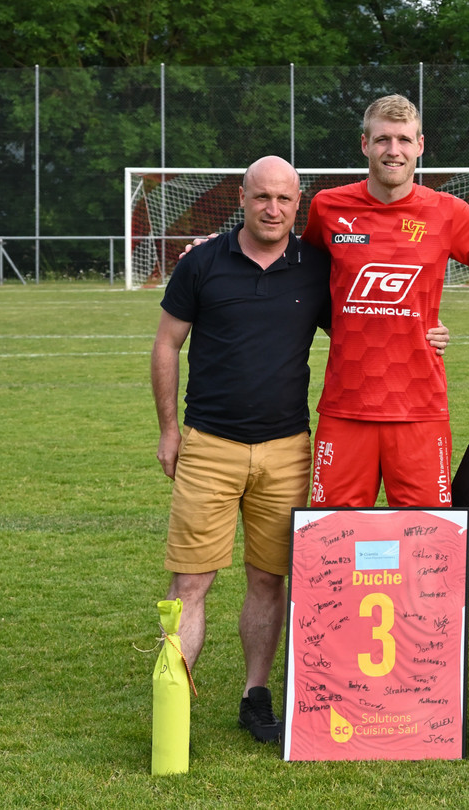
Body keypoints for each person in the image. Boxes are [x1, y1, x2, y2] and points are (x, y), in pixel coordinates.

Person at [151, 156, 329, 744]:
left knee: (269, 580)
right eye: (261, 197)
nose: (272, 209)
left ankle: (256, 695)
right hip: (209, 446)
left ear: (298, 204)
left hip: (288, 449)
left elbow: (366, 328)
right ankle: (173, 702)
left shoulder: (316, 268)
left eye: (284, 199)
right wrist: (169, 431)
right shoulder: (202, 262)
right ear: (242, 198)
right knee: (190, 585)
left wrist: (425, 331)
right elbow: (167, 344)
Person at [303, 94, 469, 509]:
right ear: (365, 144)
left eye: (403, 139)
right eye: (382, 139)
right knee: (332, 534)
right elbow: (296, 274)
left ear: (420, 145)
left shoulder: (448, 212)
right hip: (345, 408)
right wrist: (214, 248)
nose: (393, 150)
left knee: (427, 535)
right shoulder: (328, 207)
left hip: (420, 407)